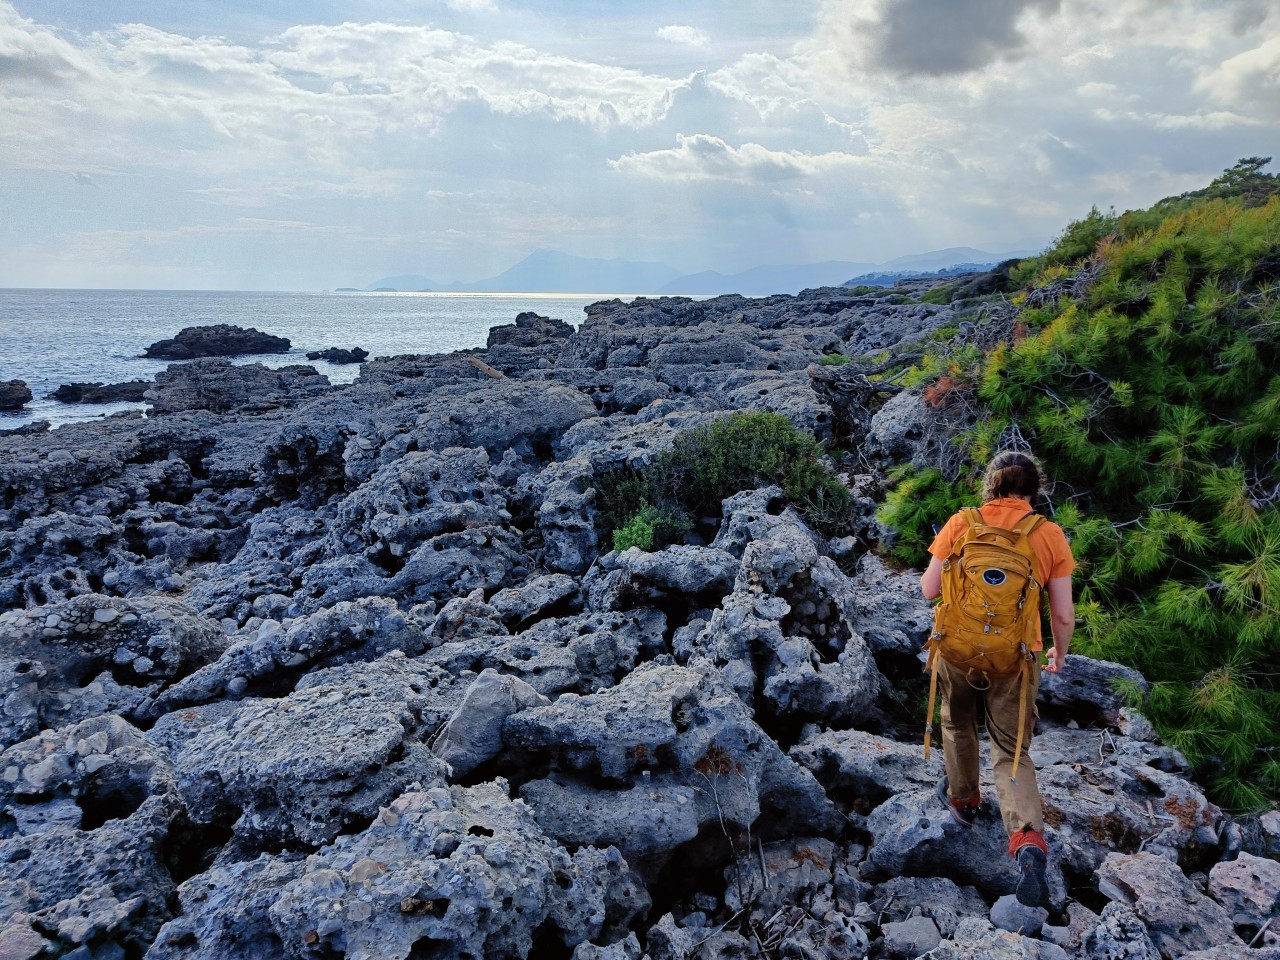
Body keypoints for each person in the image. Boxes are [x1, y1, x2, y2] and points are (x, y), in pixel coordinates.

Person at [919, 450, 1075, 909]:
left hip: (957, 648)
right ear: (1034, 489)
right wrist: (1059, 654)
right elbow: (1062, 614)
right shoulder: (1047, 535)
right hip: (1015, 659)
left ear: (991, 484)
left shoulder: (961, 522)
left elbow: (929, 589)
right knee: (1012, 750)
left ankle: (964, 802)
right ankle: (1027, 842)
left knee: (957, 723)